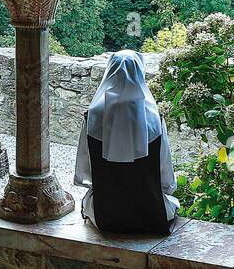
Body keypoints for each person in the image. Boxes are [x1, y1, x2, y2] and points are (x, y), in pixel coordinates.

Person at [73, 49, 180, 235]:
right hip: (151, 213)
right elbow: (166, 177)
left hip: (105, 214)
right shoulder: (154, 119)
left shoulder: (92, 117)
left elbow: (85, 170)